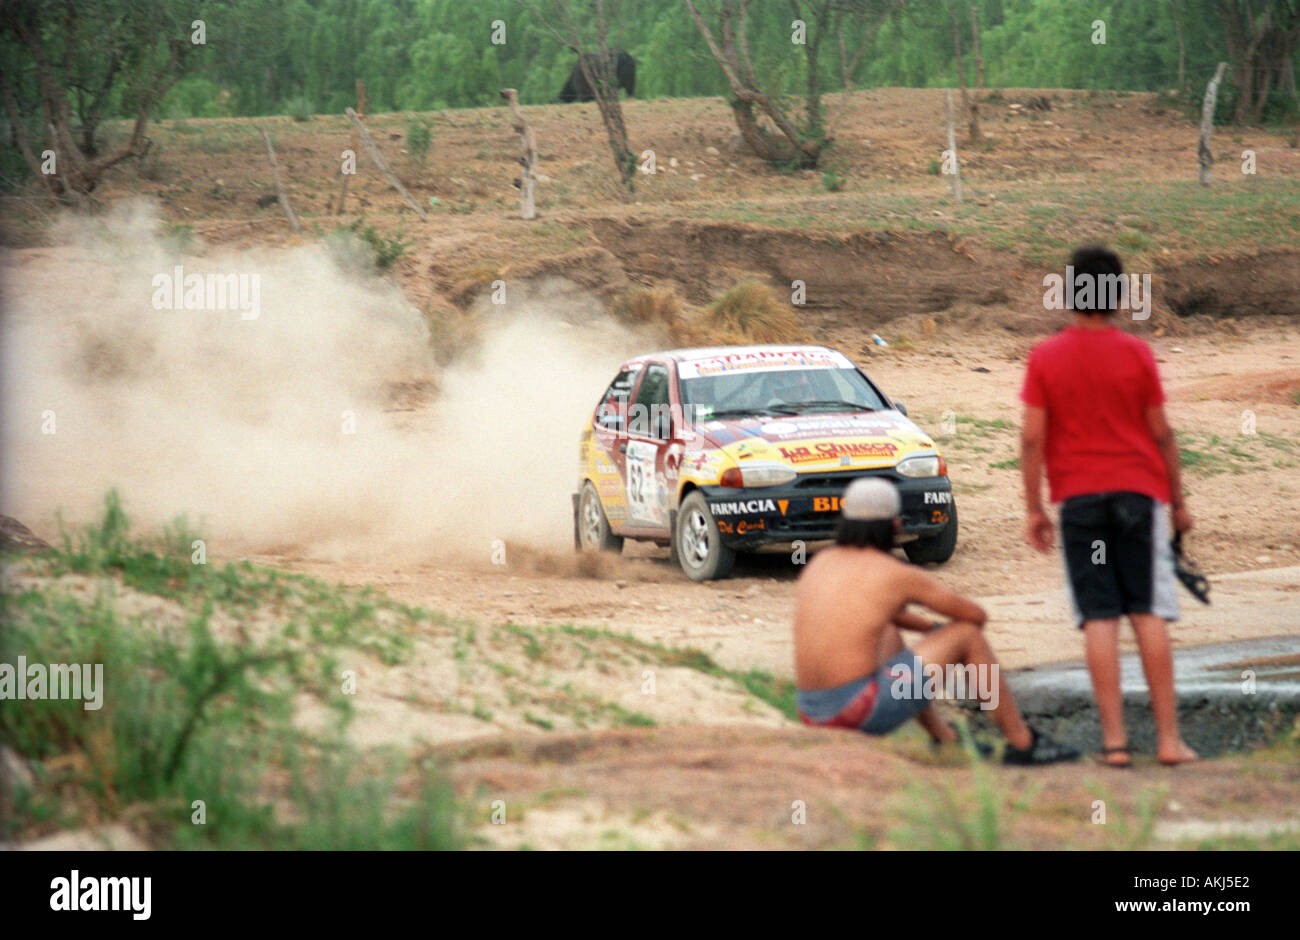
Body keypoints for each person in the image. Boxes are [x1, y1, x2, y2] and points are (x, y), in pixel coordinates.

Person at [1019, 244, 1198, 767]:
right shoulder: (1138, 355)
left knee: (1099, 616)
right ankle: (1168, 741)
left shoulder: (1045, 357)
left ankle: (1115, 745)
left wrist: (1034, 508)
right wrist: (1179, 502)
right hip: (1138, 498)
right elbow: (1162, 434)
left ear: (1070, 294)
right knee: (1148, 611)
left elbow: (1032, 439)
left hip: (1080, 504)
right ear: (1118, 295)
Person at [793, 477, 1079, 765]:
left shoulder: (821, 562)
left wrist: (929, 629)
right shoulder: (893, 573)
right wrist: (943, 637)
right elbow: (975, 616)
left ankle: (944, 738)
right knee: (967, 635)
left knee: (889, 632)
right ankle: (1022, 741)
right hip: (856, 711)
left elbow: (874, 614)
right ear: (895, 525)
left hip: (811, 712)